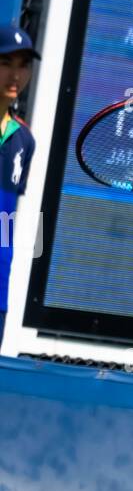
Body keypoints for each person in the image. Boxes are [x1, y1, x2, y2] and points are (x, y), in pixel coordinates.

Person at [0, 24, 38, 350]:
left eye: (23, 64)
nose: (16, 74)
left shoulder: (24, 139)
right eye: (5, 63)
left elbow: (5, 219)